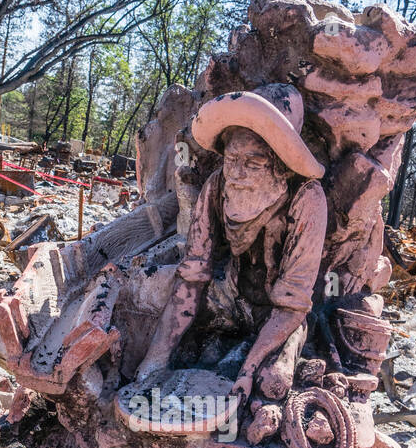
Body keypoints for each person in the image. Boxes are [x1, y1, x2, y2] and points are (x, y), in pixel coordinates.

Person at [135, 84, 327, 405]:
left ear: (280, 162)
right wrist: (156, 357)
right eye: (231, 158)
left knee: (271, 384)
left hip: (280, 317)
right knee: (176, 337)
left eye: (252, 163)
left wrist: (247, 372)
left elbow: (292, 305)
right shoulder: (216, 186)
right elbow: (193, 275)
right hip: (229, 299)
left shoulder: (307, 199)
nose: (236, 173)